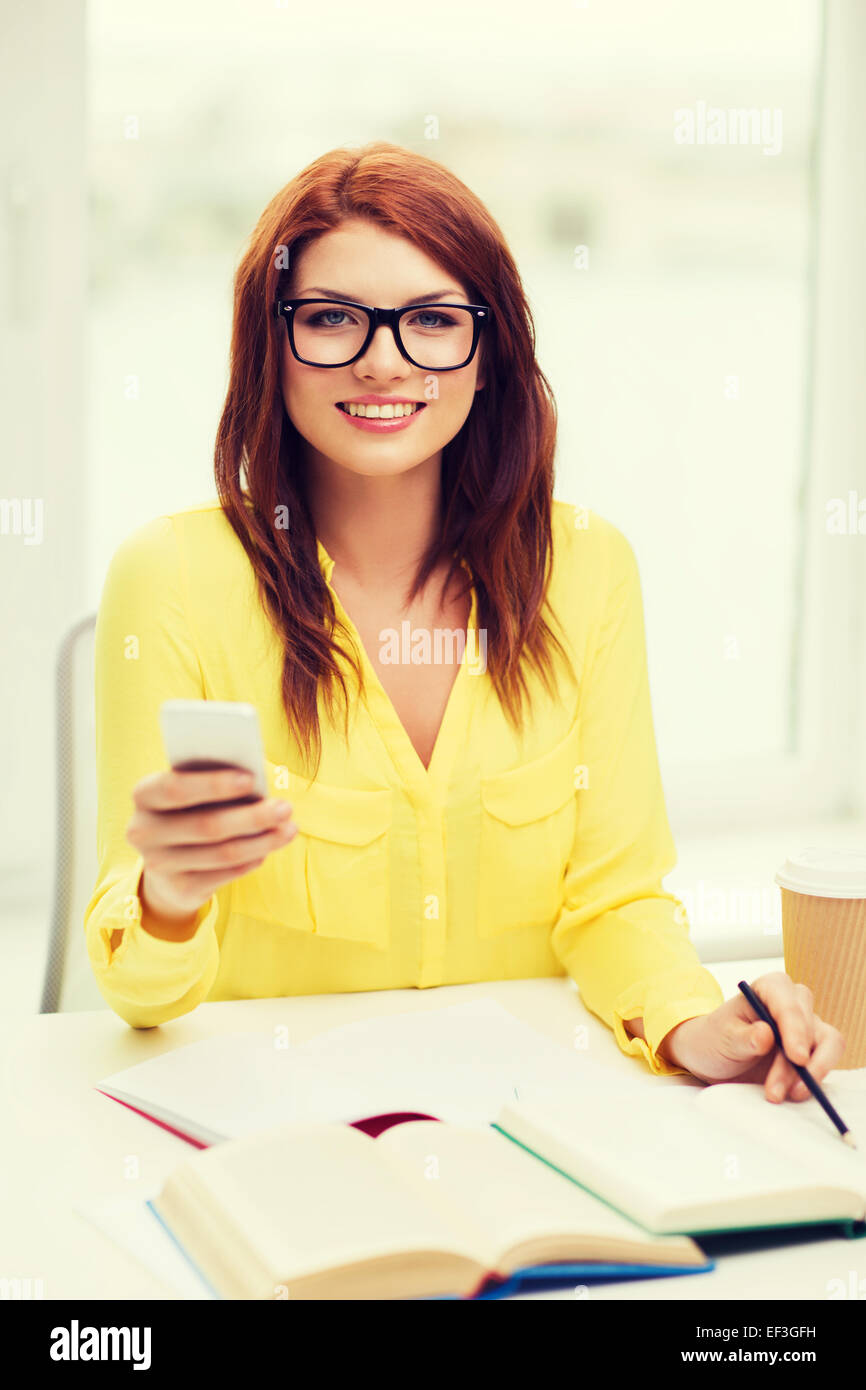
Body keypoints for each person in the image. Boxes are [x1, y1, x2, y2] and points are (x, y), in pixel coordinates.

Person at [84, 140, 844, 1102]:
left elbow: (612, 901)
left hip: (525, 1124)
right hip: (270, 1129)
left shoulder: (588, 570)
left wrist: (695, 1028)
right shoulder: (172, 579)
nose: (382, 361)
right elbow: (138, 995)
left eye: (432, 321)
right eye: (329, 319)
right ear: (268, 346)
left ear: (488, 356)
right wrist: (171, 898)